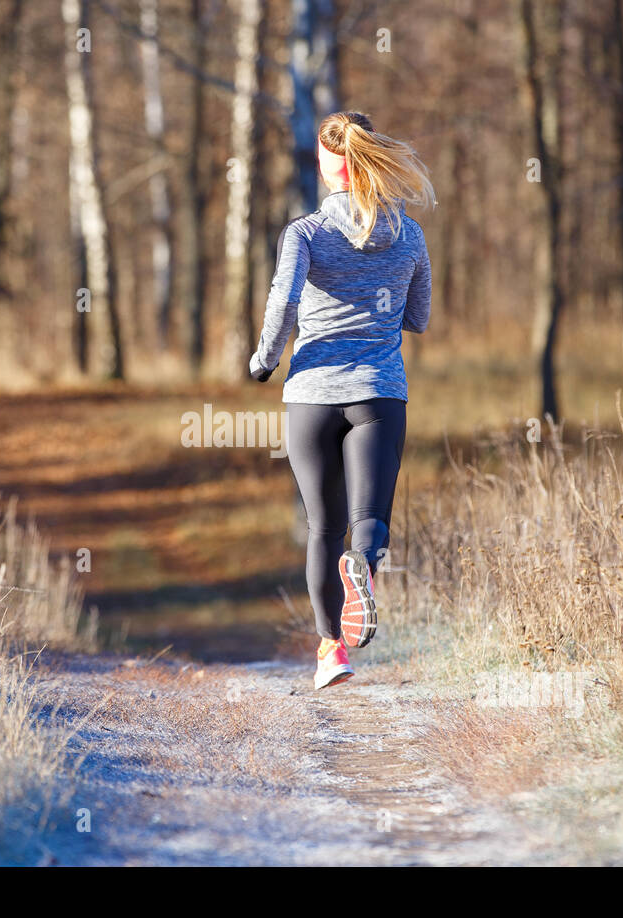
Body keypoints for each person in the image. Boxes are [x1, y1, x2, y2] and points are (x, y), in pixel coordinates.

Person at [249, 110, 435, 690]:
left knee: (322, 527)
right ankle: (366, 570)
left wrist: (264, 360)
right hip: (378, 393)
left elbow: (281, 304)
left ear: (327, 167)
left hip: (310, 396)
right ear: (373, 160)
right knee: (367, 520)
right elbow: (419, 317)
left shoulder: (304, 233)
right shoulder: (409, 234)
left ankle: (332, 651)